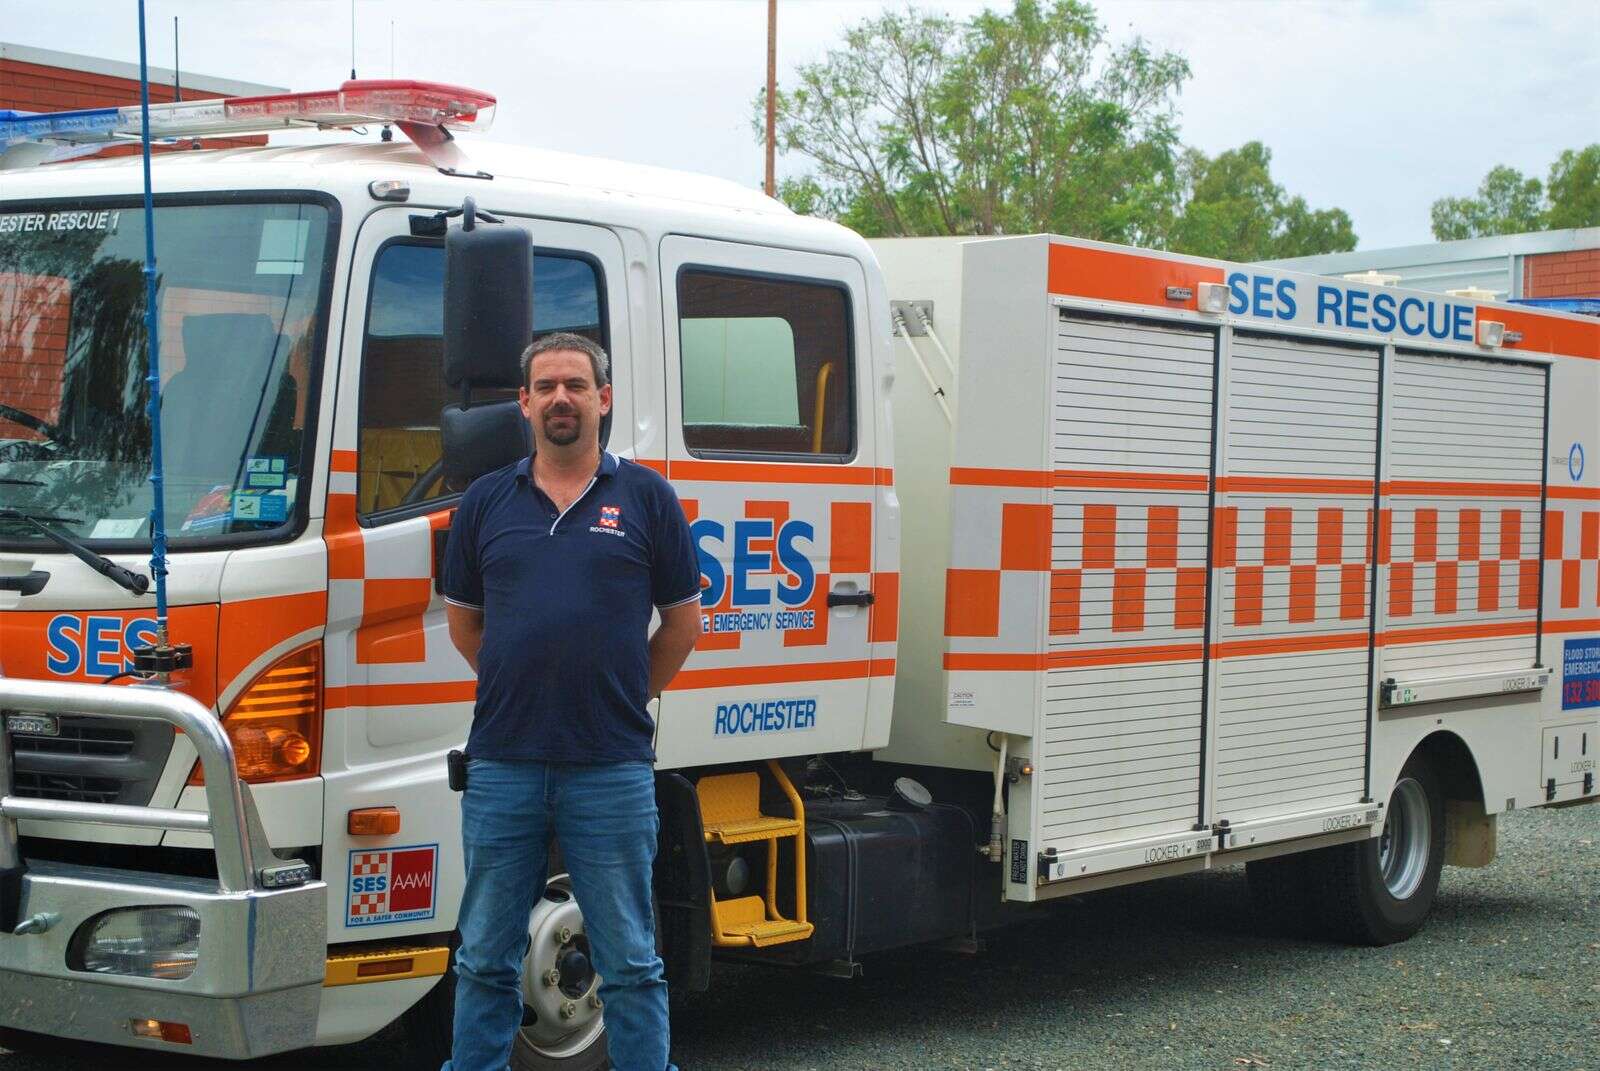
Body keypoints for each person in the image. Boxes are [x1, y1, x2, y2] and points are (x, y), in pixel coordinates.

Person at [439, 331, 701, 1071]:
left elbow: (682, 625)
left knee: (631, 962)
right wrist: (522, 685)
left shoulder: (646, 497)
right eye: (547, 386)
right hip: (503, 765)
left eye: (576, 385)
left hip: (609, 767)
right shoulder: (486, 501)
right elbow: (465, 625)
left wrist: (620, 693)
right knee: (484, 958)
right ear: (524, 403)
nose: (562, 398)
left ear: (603, 399)